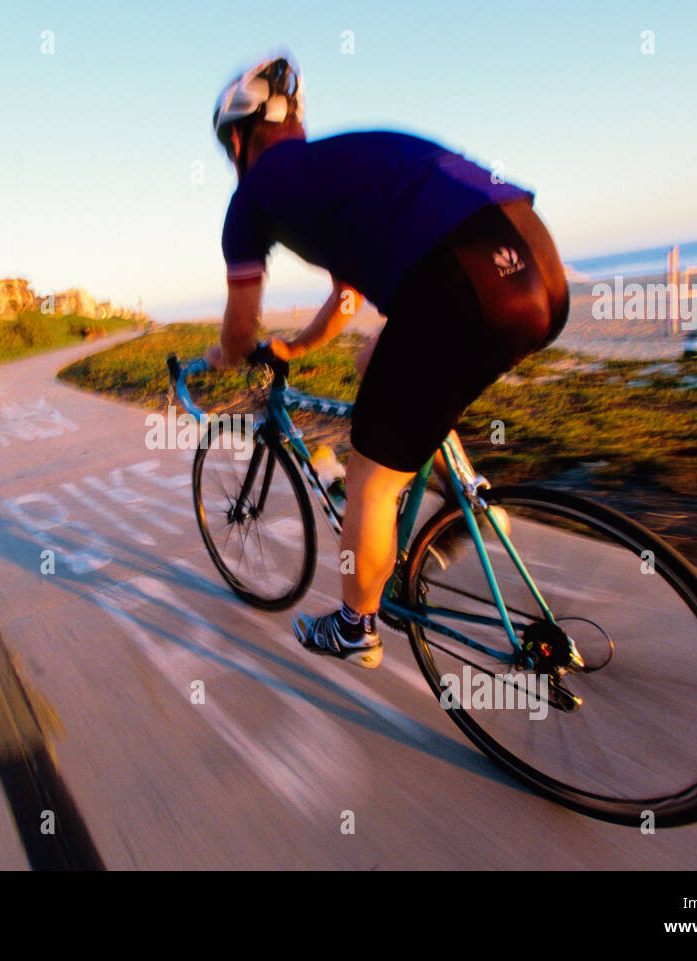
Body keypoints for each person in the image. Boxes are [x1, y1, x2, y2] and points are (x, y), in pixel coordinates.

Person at [207, 53, 569, 669]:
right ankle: (466, 496)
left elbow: (241, 328)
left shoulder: (253, 196)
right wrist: (295, 348)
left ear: (238, 139)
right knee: (385, 358)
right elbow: (345, 299)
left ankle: (355, 625)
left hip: (460, 280)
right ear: (293, 121)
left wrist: (225, 355)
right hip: (538, 269)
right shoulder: (339, 172)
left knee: (371, 478)